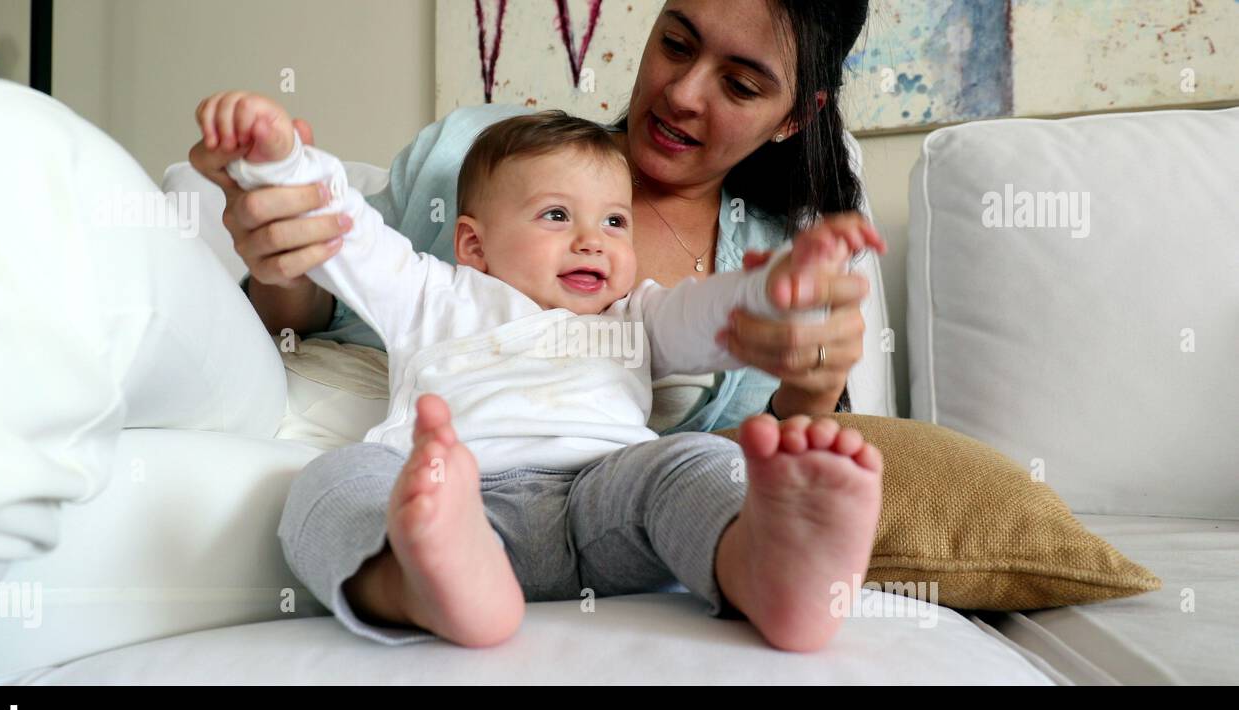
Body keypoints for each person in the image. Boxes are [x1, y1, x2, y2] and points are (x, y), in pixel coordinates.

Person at [201, 94, 885, 651]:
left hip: (606, 499)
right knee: (329, 482)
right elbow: (345, 232)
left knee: (695, 460)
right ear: (473, 243)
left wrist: (780, 288)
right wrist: (280, 164)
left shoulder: (632, 318)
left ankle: (767, 568)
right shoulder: (433, 294)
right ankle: (424, 582)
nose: (593, 238)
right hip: (460, 503)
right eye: (557, 215)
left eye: (615, 221)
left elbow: (713, 317)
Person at [189, 0, 883, 436]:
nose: (681, 92)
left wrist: (806, 395)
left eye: (738, 84)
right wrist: (281, 228)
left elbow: (739, 464)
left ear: (795, 116)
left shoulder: (763, 259)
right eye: (675, 42)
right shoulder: (471, 156)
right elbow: (323, 296)